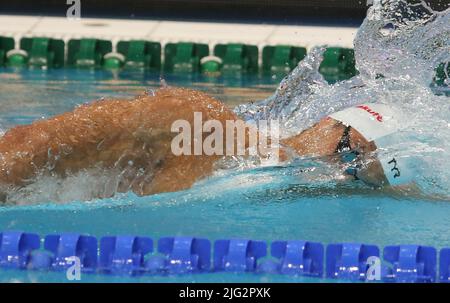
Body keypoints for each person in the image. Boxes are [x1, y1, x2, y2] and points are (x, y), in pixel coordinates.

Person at [0, 86, 412, 202]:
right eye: (348, 158)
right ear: (334, 128)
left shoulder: (244, 163)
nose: (338, 176)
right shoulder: (203, 127)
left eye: (355, 178)